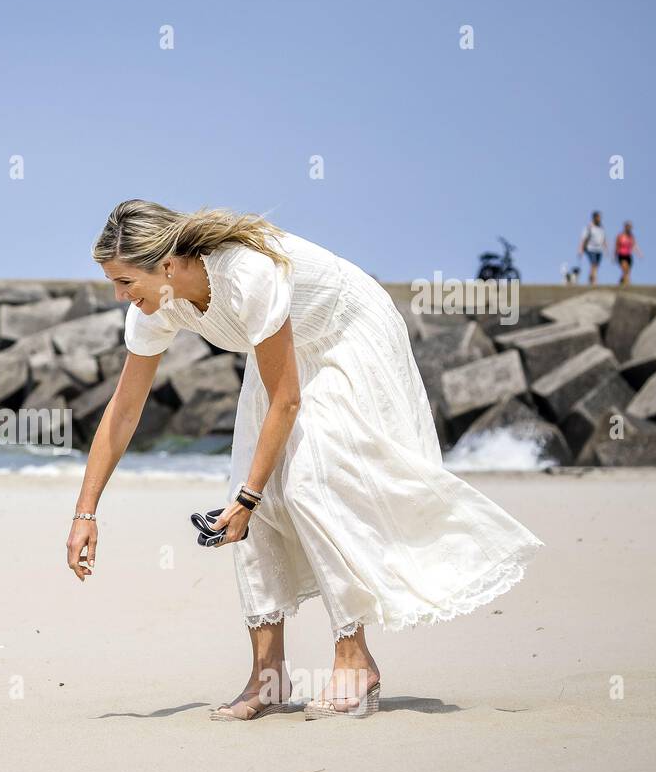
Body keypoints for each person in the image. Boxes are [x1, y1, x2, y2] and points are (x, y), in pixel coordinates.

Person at [72, 200, 543, 720]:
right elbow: (123, 411)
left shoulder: (244, 274)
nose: (119, 297)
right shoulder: (155, 305)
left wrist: (250, 498)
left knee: (308, 484)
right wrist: (85, 513)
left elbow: (287, 400)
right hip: (280, 346)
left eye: (123, 281)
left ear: (165, 265)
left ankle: (355, 662)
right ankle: (267, 679)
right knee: (246, 499)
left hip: (348, 330)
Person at [577, 210, 606, 285]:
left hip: (599, 249)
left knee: (596, 265)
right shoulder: (589, 227)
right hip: (590, 248)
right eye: (599, 217)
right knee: (593, 264)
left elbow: (603, 239)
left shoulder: (601, 227)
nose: (600, 219)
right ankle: (594, 281)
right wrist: (581, 249)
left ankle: (591, 278)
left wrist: (606, 248)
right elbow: (584, 239)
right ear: (595, 217)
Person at [615, 221, 641, 286]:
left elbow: (634, 245)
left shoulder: (631, 236)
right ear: (625, 227)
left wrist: (639, 253)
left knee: (628, 271)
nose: (630, 228)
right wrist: (615, 255)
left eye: (630, 227)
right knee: (625, 269)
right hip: (621, 255)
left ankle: (621, 282)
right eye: (628, 227)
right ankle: (628, 284)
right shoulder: (620, 236)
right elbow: (617, 245)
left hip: (628, 255)